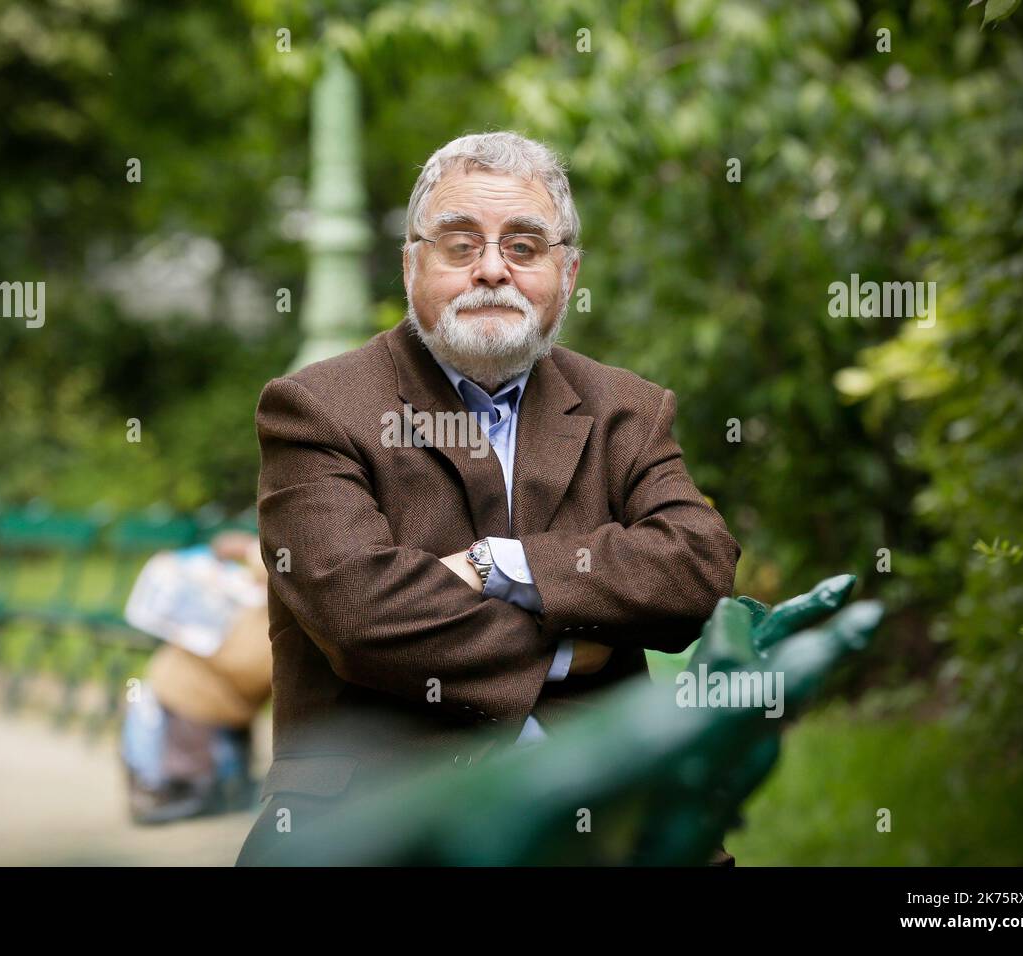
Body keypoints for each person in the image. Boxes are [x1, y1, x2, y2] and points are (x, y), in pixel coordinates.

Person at [236, 131, 740, 866]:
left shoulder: (626, 409)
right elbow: (360, 617)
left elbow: (698, 567)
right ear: (413, 265)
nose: (493, 271)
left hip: (597, 807)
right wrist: (578, 643)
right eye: (460, 245)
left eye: (525, 247)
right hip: (381, 815)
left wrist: (496, 565)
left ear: (567, 273)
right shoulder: (314, 408)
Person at [120, 530, 272, 824]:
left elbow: (284, 565)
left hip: (234, 667)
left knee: (153, 695)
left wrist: (249, 549)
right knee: (145, 694)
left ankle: (165, 784)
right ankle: (162, 782)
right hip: (229, 660)